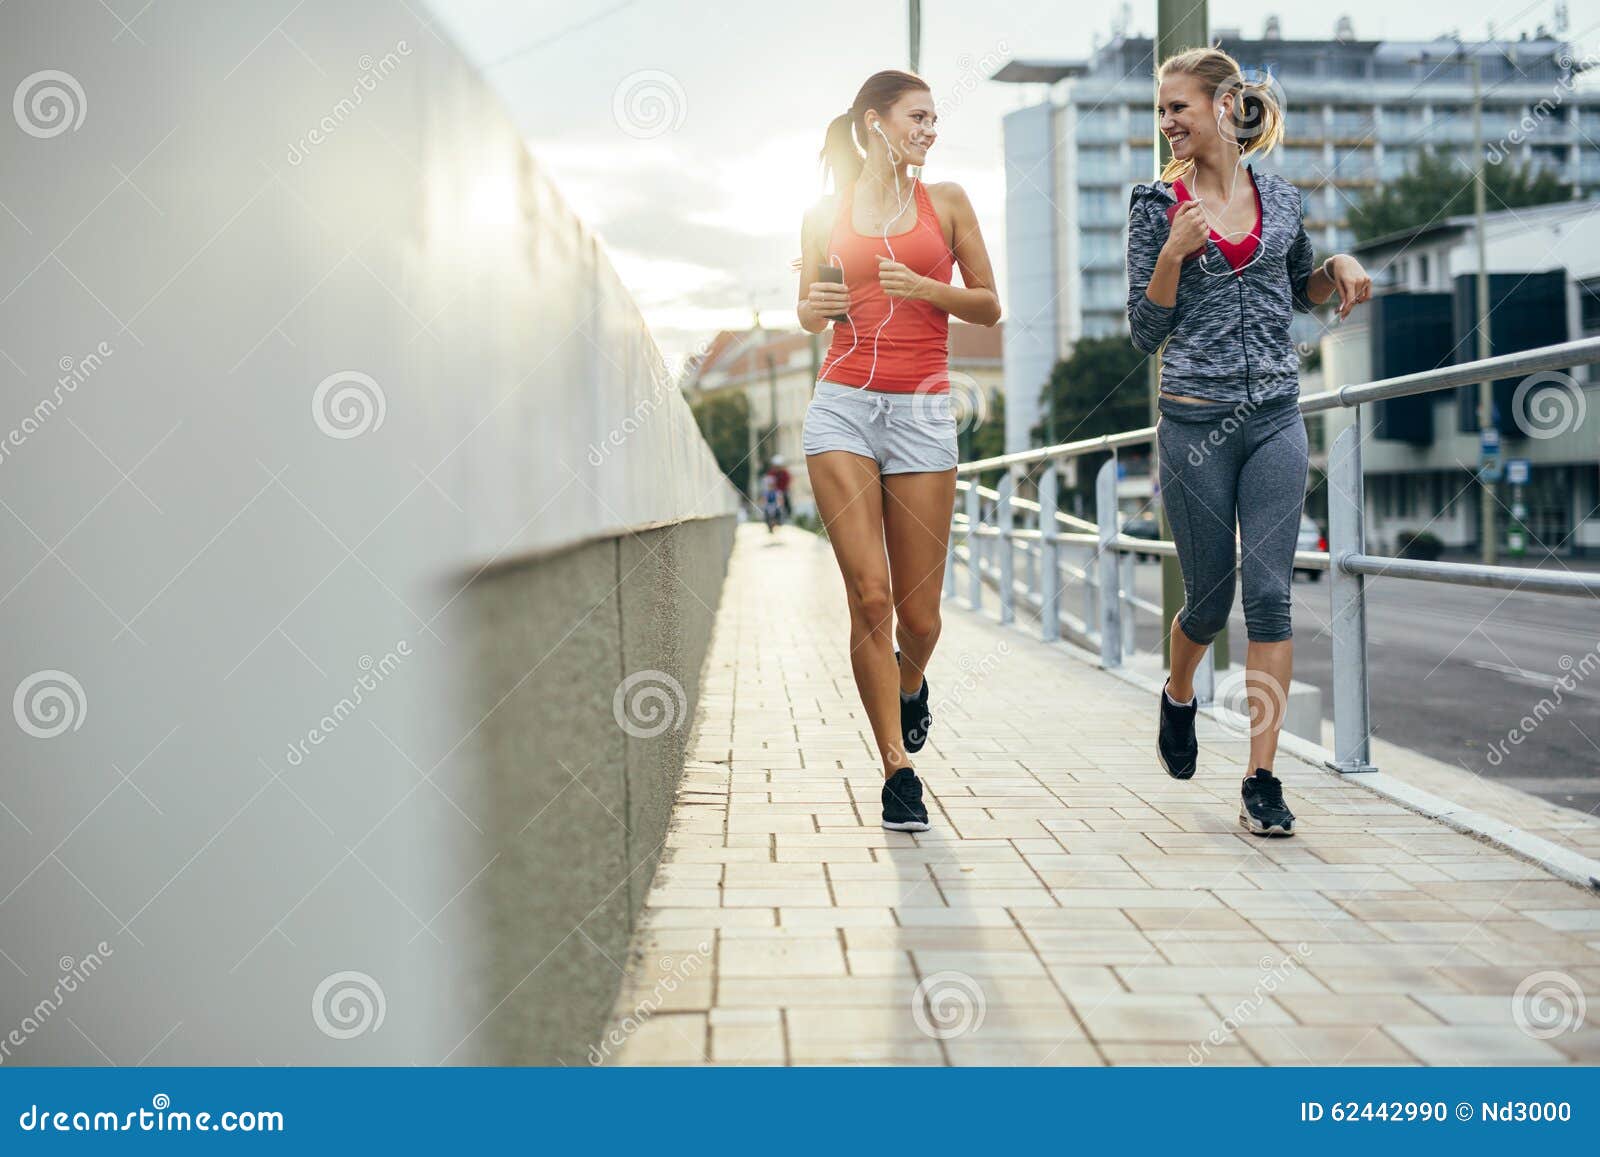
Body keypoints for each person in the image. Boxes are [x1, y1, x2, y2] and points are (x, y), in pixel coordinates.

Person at [1125, 47, 1371, 837]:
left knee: (1269, 596)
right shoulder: (1153, 204)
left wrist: (1338, 265)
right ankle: (1179, 695)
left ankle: (1262, 778)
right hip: (1194, 424)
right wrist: (1173, 252)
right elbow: (1145, 330)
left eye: (1179, 107)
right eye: (1161, 110)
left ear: (1224, 105)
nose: (1168, 122)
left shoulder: (1283, 197)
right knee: (1208, 601)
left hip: (1274, 417)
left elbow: (1301, 288)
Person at [797, 70, 1000, 832]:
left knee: (920, 619)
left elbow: (988, 303)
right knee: (871, 597)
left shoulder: (946, 203)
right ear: (875, 123)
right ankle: (896, 769)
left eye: (934, 118)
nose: (930, 130)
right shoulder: (823, 213)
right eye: (918, 116)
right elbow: (808, 310)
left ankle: (912, 683)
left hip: (921, 413)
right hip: (842, 409)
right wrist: (815, 306)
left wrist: (924, 288)